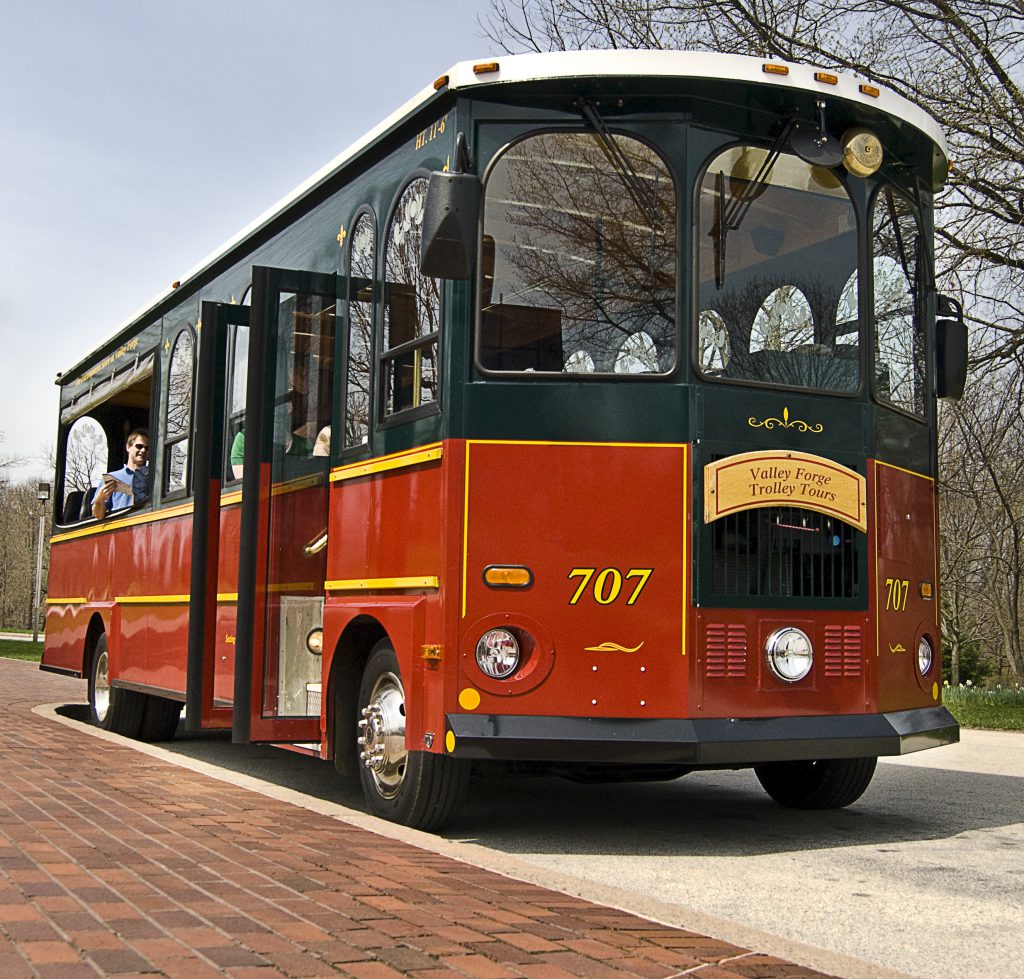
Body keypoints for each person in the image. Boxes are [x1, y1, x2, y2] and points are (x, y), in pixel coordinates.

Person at [92, 428, 149, 519]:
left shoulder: (153, 478)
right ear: (128, 447)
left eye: (147, 448)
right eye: (139, 446)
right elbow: (98, 516)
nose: (143, 450)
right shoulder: (112, 477)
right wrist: (99, 500)